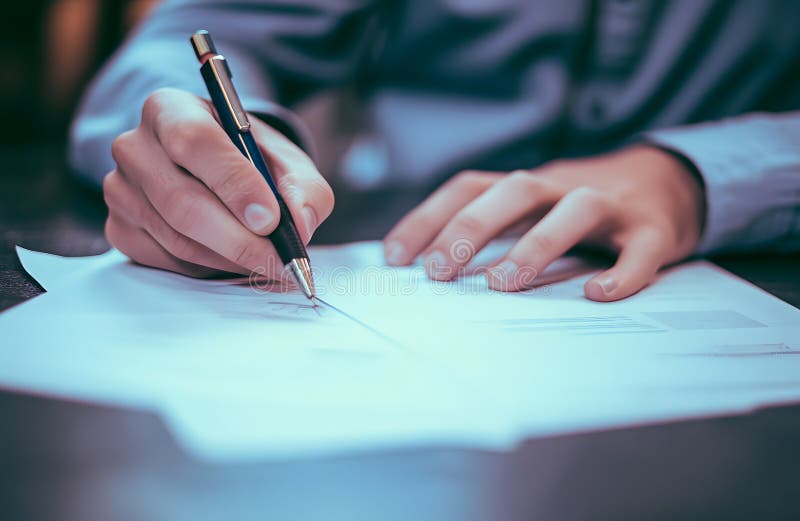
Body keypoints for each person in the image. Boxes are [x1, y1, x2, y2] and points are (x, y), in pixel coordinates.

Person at [70, 0, 800, 302]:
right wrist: (214, 150)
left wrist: (698, 176)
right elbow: (196, 32)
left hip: (745, 261)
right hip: (398, 246)